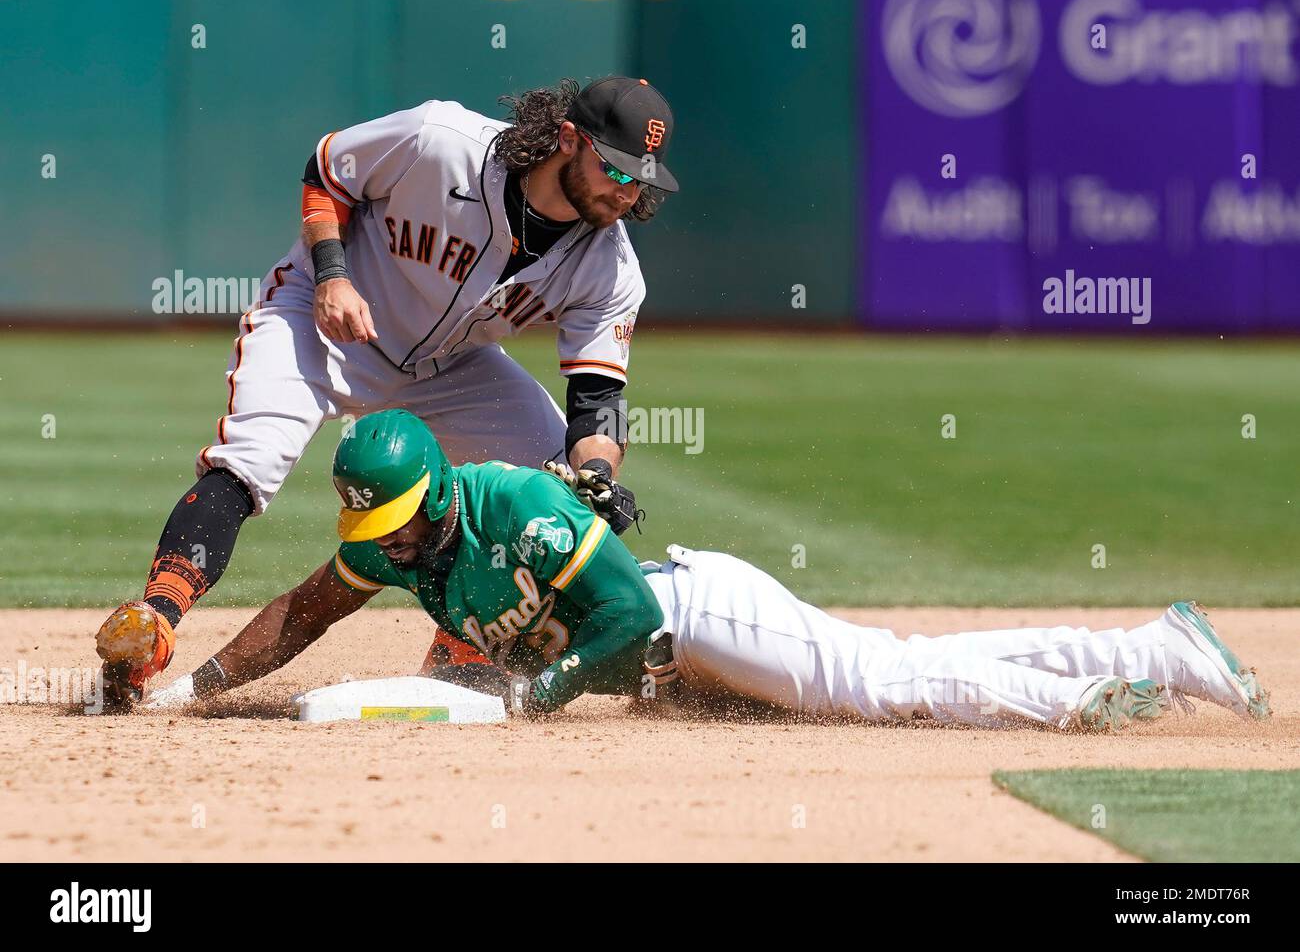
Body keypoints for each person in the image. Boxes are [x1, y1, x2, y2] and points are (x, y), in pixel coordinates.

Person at [95, 77, 680, 706]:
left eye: (641, 179)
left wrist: (595, 470)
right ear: (568, 139)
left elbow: (596, 397)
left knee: (558, 481)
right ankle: (155, 619)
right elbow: (327, 171)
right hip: (321, 318)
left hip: (449, 363)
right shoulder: (441, 141)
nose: (628, 191)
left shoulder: (610, 266)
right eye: (614, 169)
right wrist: (333, 276)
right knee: (251, 459)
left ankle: (464, 646)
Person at [142, 411, 1271, 732]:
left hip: (700, 615)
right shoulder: (387, 542)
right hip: (665, 659)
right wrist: (193, 685)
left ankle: (1083, 698)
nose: (380, 541)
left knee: (878, 685)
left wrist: (537, 692)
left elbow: (625, 612)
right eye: (368, 525)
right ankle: (1155, 646)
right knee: (897, 661)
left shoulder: (513, 504)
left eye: (391, 518)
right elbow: (301, 611)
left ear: (433, 491)